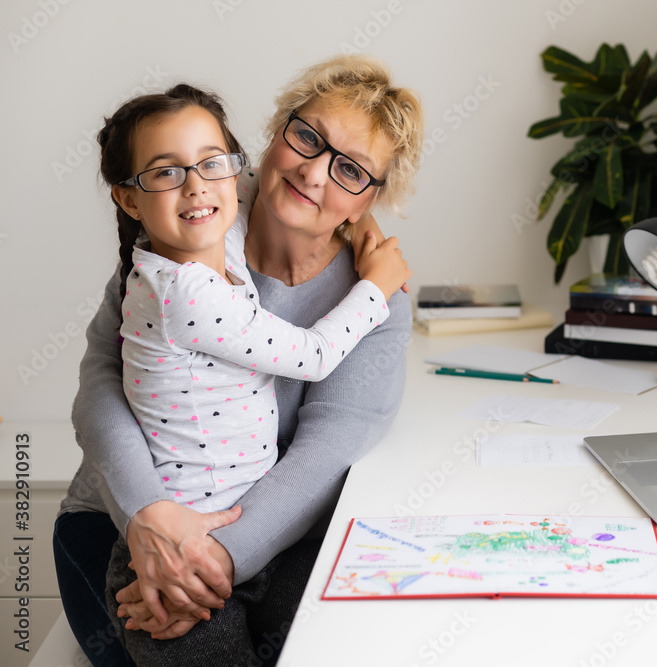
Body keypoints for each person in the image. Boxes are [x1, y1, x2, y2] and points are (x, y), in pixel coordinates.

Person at [53, 55, 423, 666]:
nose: (314, 172)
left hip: (266, 538)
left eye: (351, 170)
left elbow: (325, 455)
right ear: (274, 131)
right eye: (306, 137)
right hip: (119, 519)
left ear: (369, 200)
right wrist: (149, 520)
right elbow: (100, 383)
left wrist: (216, 559)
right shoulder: (195, 215)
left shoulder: (376, 296)